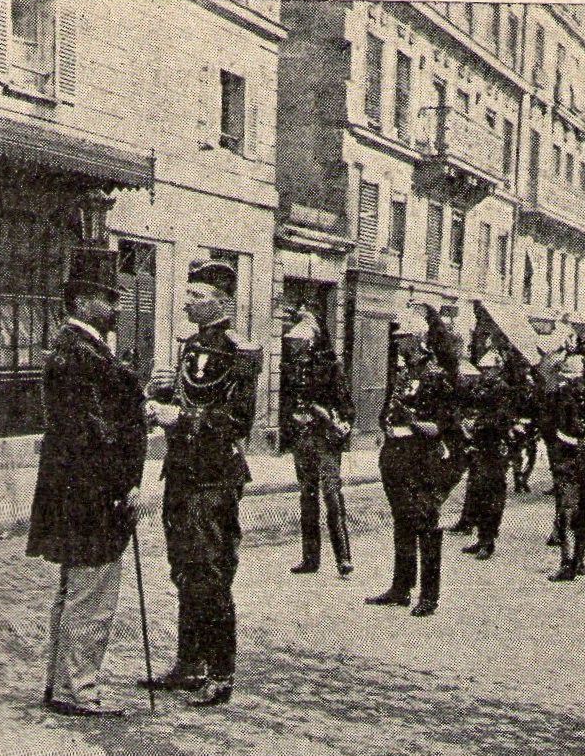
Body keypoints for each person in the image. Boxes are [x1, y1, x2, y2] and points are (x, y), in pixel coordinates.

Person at [27, 247, 148, 717]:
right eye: (107, 298)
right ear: (81, 303)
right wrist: (124, 486)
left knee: (74, 591)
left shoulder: (81, 350)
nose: (117, 307)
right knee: (92, 595)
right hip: (93, 494)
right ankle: (80, 690)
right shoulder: (81, 355)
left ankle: (63, 686)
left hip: (76, 492)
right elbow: (94, 433)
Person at [144, 260, 261, 706]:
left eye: (196, 295)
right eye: (188, 293)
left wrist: (184, 417)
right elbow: (190, 393)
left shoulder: (240, 351)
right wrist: (163, 395)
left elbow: (238, 422)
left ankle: (221, 673)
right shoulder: (189, 347)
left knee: (211, 573)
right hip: (182, 472)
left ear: (221, 300)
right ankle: (189, 665)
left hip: (214, 477)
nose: (187, 301)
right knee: (185, 570)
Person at [366, 306, 465, 617]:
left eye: (404, 338)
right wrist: (386, 425)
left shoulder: (436, 375)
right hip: (396, 454)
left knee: (425, 522)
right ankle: (401, 587)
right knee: (401, 522)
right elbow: (390, 408)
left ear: (418, 339)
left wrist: (413, 424)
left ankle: (429, 594)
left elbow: (443, 425)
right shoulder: (404, 372)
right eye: (399, 339)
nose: (399, 343)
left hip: (423, 455)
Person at [279, 304, 354, 577]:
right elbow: (287, 402)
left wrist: (328, 417)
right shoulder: (292, 368)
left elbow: (346, 407)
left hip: (325, 438)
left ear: (311, 340)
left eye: (300, 342)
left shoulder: (331, 366)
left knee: (331, 495)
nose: (296, 348)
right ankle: (310, 558)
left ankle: (343, 558)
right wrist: (291, 424)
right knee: (307, 497)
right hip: (302, 438)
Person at [546, 347, 585, 581]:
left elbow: (550, 426)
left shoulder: (560, 395)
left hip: (569, 458)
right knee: (581, 512)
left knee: (568, 510)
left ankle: (568, 563)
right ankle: (578, 561)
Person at [458, 335, 516, 560]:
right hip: (480, 447)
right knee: (477, 493)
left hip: (495, 448)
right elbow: (472, 406)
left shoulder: (502, 390)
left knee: (492, 496)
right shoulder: (482, 387)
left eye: (489, 369)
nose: (485, 373)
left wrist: (478, 423)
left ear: (498, 370)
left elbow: (502, 420)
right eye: (483, 369)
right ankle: (481, 537)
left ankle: (488, 541)